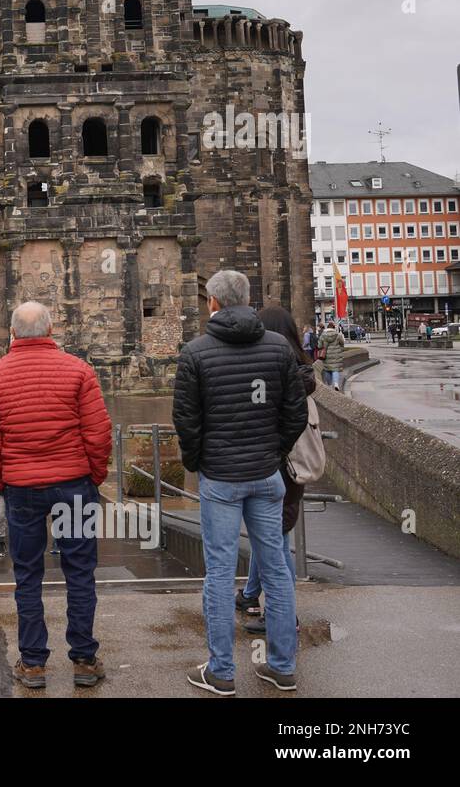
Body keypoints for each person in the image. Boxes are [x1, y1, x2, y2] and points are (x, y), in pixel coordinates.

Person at [172, 270, 307, 695]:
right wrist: (273, 453)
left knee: (219, 572)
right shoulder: (279, 348)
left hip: (222, 479)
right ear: (247, 300)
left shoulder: (195, 353)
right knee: (276, 570)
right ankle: (282, 666)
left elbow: (186, 421)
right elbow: (296, 413)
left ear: (212, 302)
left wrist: (200, 463)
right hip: (267, 476)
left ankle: (222, 672)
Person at [0, 301, 112, 690]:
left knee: (28, 575)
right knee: (80, 572)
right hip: (75, 487)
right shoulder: (79, 371)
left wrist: (2, 480)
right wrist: (92, 477)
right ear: (51, 331)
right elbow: (99, 434)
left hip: (22, 489)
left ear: (13, 334)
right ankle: (84, 659)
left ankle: (33, 663)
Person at [239, 305, 315, 636]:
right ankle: (251, 596)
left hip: (277, 468)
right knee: (271, 537)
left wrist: (271, 451)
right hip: (293, 469)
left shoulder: (275, 374)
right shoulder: (303, 370)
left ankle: (283, 617)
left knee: (277, 543)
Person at [318, 321, 345, 390]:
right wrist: (340, 350)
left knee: (327, 369)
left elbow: (319, 345)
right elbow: (342, 343)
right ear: (334, 328)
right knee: (335, 369)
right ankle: (336, 383)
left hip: (326, 355)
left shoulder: (323, 335)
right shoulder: (338, 335)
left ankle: (329, 385)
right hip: (336, 355)